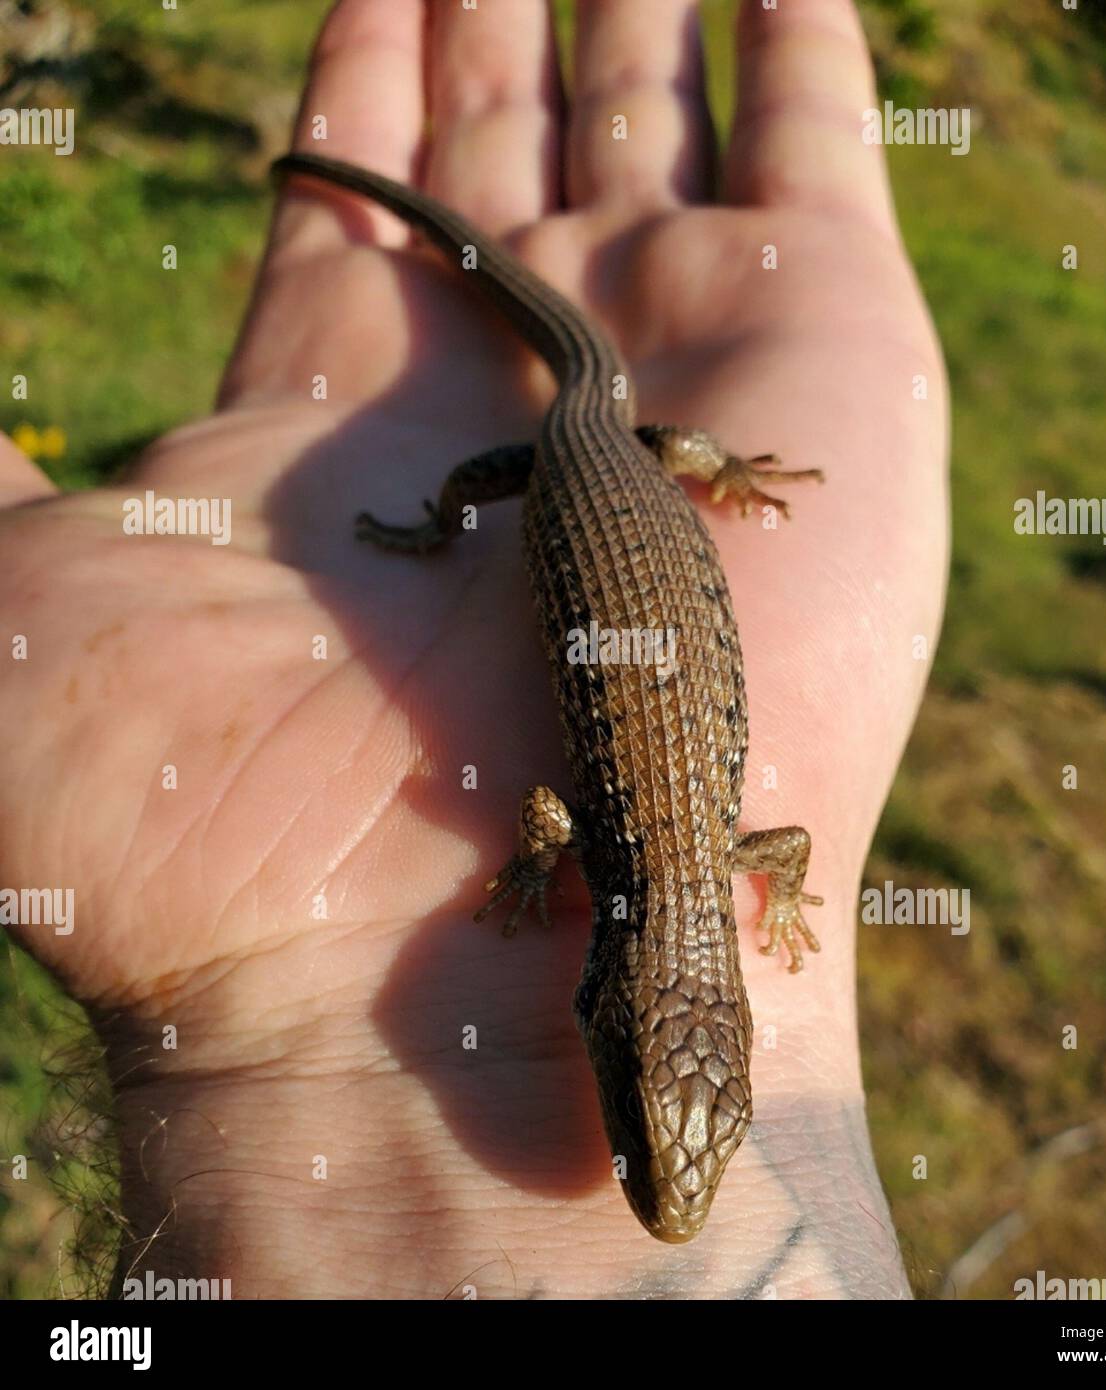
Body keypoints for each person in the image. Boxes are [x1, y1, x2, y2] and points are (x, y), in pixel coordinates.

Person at [0, 0, 945, 1297]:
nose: (654, 1162)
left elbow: (752, 849)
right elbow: (556, 811)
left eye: (664, 1126)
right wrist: (446, 526)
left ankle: (499, 333)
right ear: (615, 997)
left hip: (626, 466)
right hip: (566, 471)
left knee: (586, 405)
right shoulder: (611, 858)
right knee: (530, 438)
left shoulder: (714, 860)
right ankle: (435, 340)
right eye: (643, 1107)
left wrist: (763, 893)